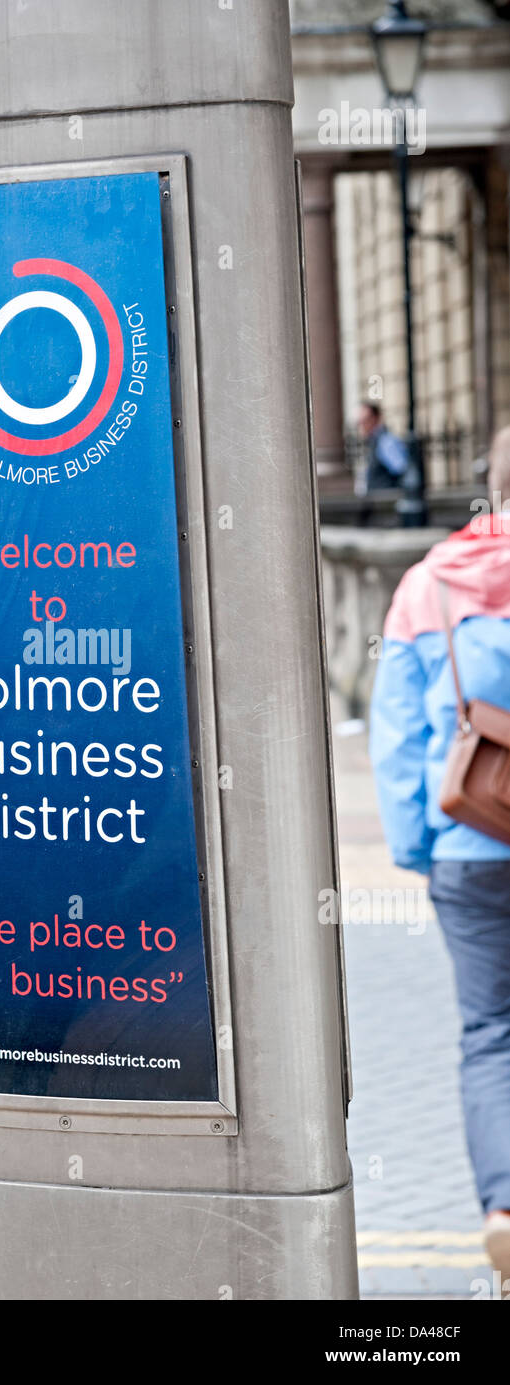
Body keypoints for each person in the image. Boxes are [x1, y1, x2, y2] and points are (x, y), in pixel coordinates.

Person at [370, 423, 510, 1282]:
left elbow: (395, 740)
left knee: (491, 1035)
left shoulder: (428, 586)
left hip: (469, 841)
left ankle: (505, 1206)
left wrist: (421, 850)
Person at [357, 402, 410, 492]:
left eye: (365, 421)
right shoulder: (374, 442)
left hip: (386, 502)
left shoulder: (386, 442)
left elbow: (403, 471)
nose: (362, 426)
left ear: (375, 418)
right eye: (360, 422)